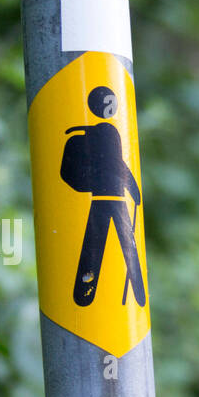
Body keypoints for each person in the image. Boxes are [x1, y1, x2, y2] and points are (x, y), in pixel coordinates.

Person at [60, 85, 145, 308]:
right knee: (120, 244)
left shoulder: (102, 137)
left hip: (104, 200)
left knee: (99, 243)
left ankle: (87, 290)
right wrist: (133, 192)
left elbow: (120, 165)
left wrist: (133, 192)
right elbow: (121, 166)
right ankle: (90, 292)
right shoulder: (106, 137)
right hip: (113, 200)